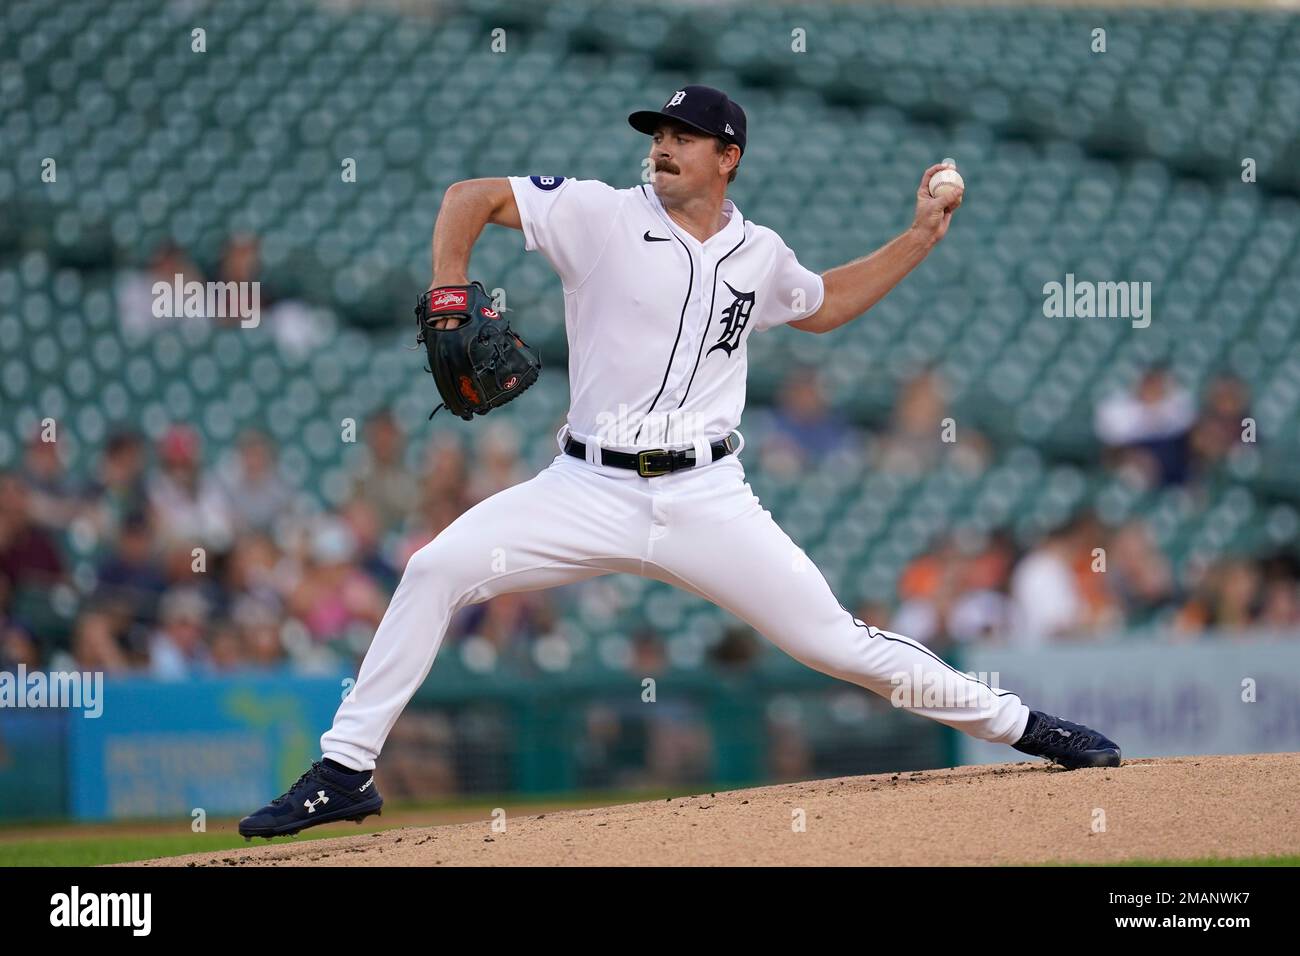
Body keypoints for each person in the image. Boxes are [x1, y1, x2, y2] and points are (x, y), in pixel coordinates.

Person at [239, 85, 1121, 839]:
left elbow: (822, 305)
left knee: (837, 643)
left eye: (680, 138)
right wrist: (446, 288)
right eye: (656, 137)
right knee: (433, 569)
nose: (660, 149)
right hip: (586, 485)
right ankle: (345, 770)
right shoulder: (599, 213)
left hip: (707, 495)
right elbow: (469, 197)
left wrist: (920, 236)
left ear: (726, 156)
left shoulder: (759, 253)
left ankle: (1027, 726)